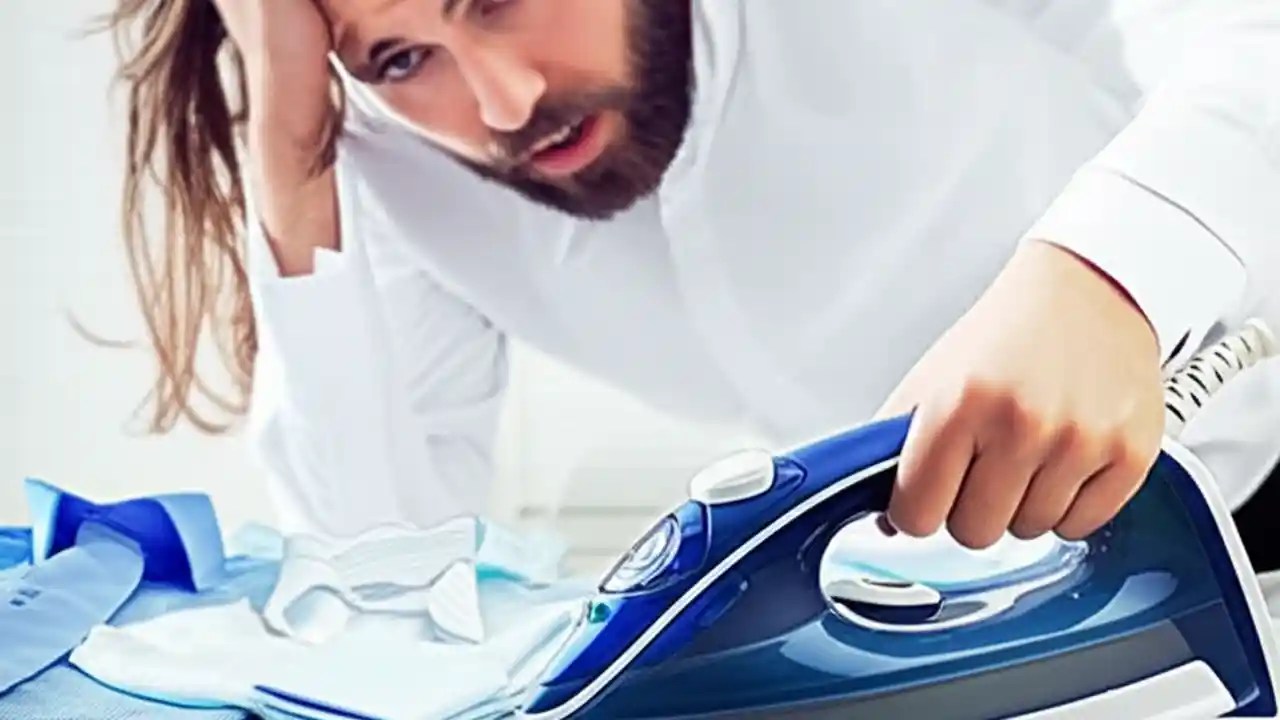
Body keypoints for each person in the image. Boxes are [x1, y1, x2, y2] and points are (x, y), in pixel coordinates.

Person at [104, 0, 1280, 561]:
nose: (503, 105)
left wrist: (1104, 275)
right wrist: (289, 160)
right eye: (403, 59)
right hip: (1008, 601)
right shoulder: (401, 167)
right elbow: (379, 572)